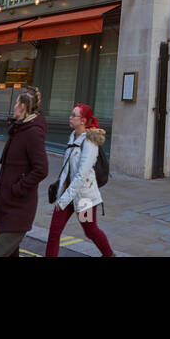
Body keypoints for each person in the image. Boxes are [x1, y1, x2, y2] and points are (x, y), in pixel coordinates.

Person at [44, 103, 114, 257]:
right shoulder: (72, 136)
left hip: (84, 198)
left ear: (83, 120)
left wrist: (64, 198)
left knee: (90, 230)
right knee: (54, 231)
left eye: (73, 115)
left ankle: (109, 254)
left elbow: (81, 175)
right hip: (66, 193)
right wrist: (61, 194)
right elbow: (66, 169)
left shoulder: (89, 142)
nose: (70, 117)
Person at [0, 85, 48, 257]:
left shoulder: (32, 133)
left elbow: (42, 169)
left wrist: (17, 189)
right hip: (4, 205)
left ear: (23, 106)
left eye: (16, 103)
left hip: (18, 209)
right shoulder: (19, 129)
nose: (14, 106)